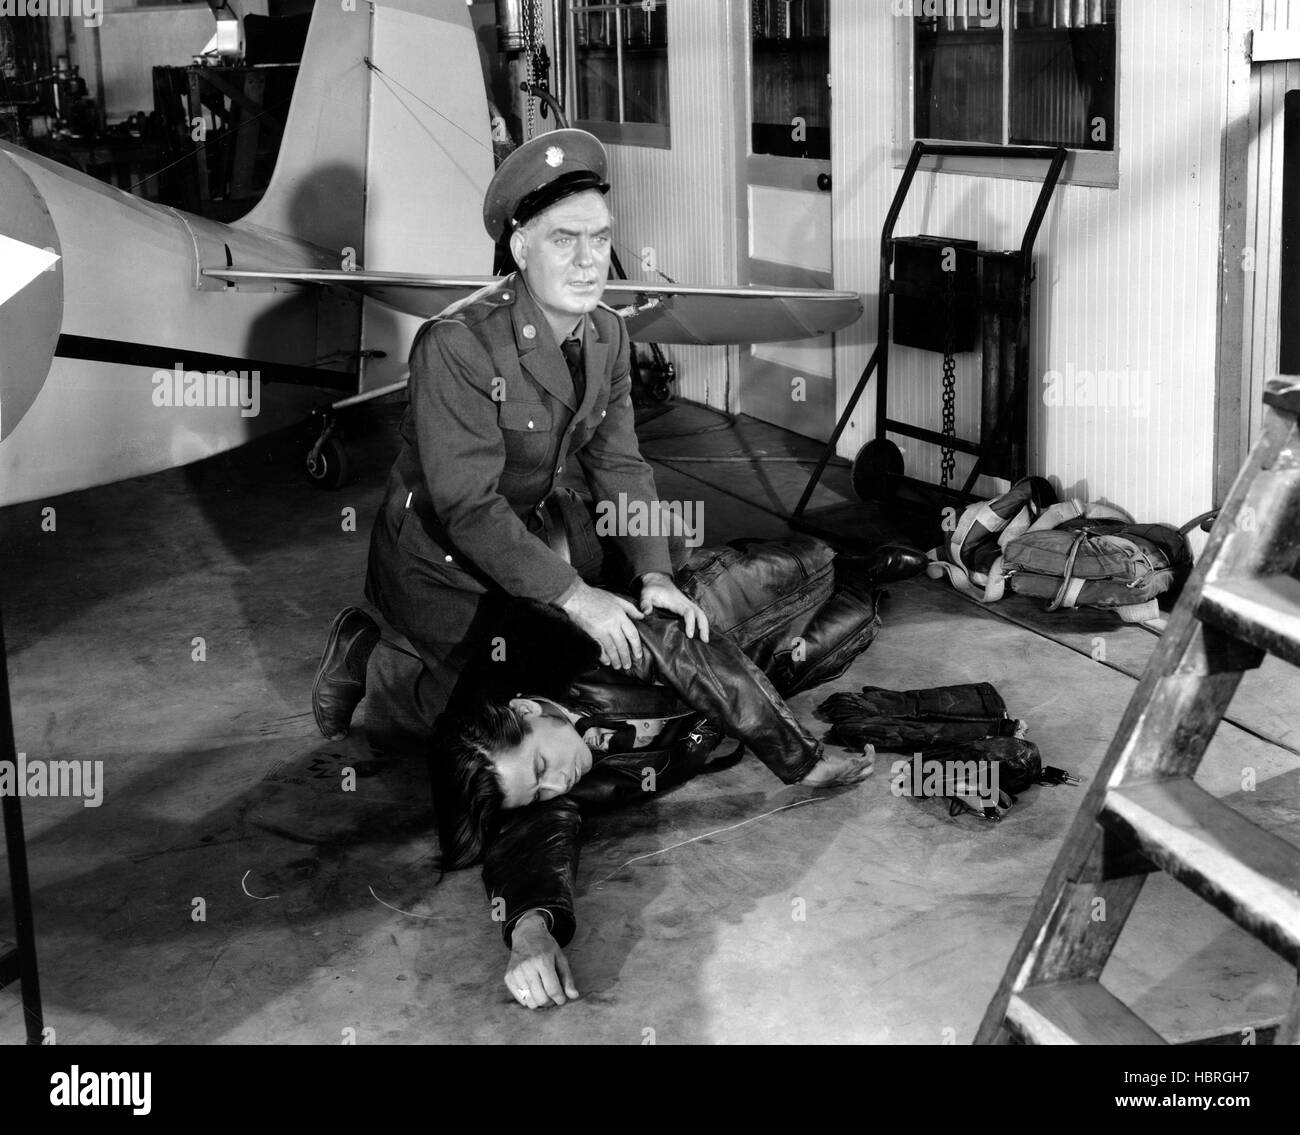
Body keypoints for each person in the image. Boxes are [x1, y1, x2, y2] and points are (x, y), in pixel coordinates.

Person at [429, 533, 926, 1010]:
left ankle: (852, 559)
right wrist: (530, 931)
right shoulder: (550, 787)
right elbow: (527, 846)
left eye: (540, 766)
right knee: (854, 624)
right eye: (538, 792)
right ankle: (866, 573)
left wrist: (802, 760)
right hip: (764, 677)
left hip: (715, 610)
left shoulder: (587, 651)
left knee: (813, 565)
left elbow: (682, 650)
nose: (556, 785)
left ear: (526, 711)